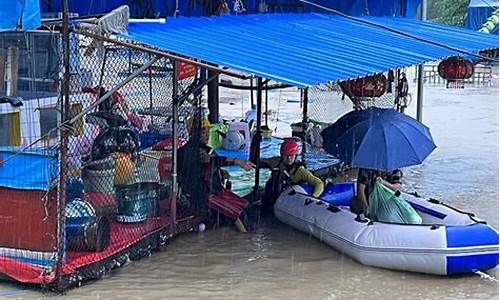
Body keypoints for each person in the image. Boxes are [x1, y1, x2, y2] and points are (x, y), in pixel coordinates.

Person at [177, 116, 255, 232]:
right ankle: (248, 241)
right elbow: (211, 160)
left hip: (216, 191)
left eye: (208, 131)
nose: (207, 135)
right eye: (204, 131)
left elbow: (212, 162)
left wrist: (220, 172)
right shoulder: (190, 150)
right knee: (239, 215)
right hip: (204, 196)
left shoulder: (207, 149)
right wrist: (237, 161)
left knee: (247, 206)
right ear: (193, 133)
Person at [264, 138, 324, 210]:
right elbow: (256, 162)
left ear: (295, 155)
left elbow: (319, 183)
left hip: (290, 202)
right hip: (274, 198)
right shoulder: (275, 162)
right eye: (286, 155)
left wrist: (312, 198)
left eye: (291, 155)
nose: (289, 158)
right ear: (282, 155)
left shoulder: (301, 171)